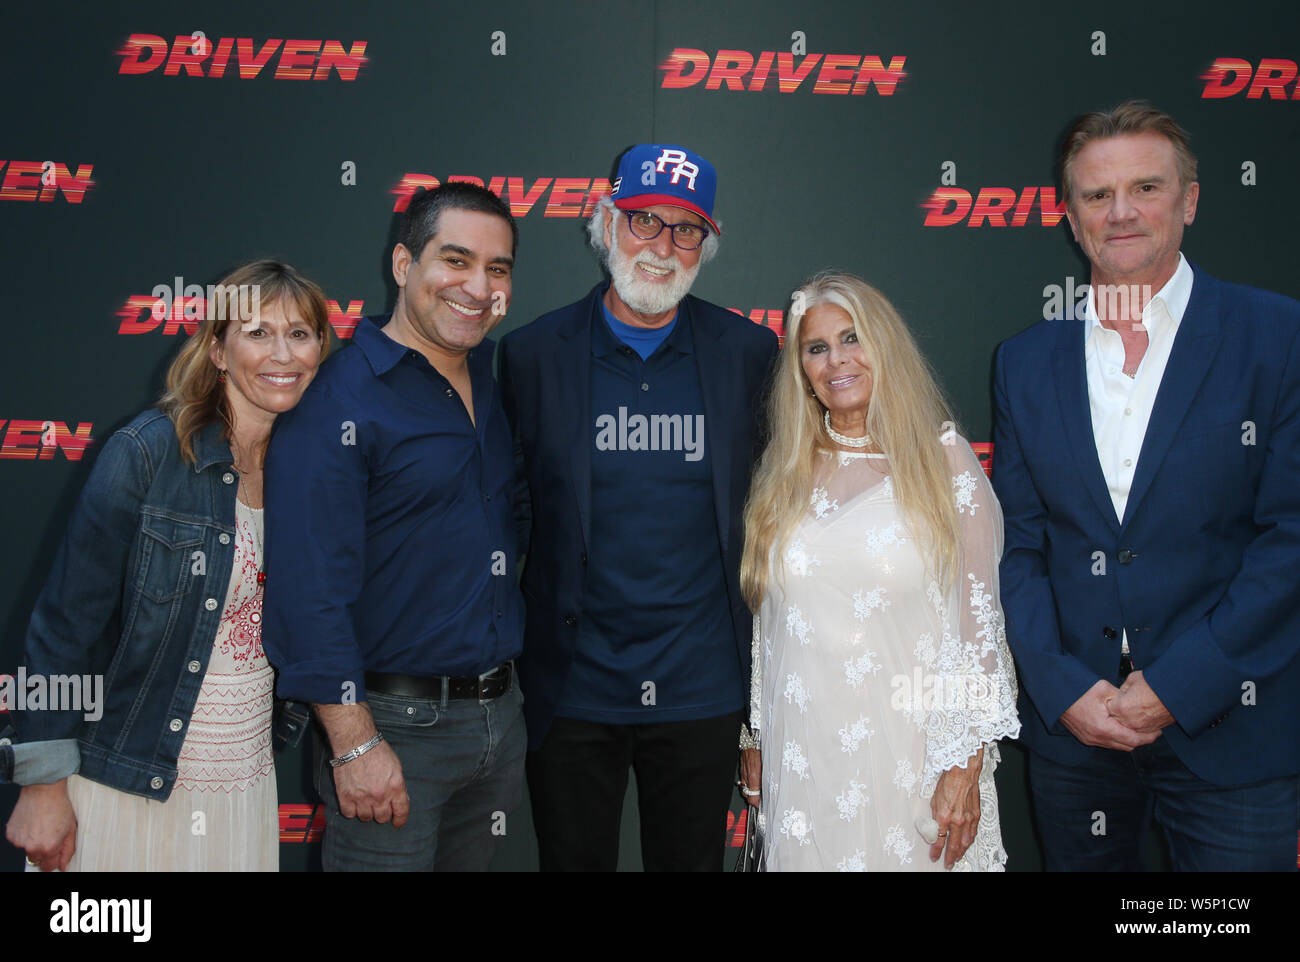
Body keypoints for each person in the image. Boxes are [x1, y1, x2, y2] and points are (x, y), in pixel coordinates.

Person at [993, 100, 1300, 871]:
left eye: (1147, 188)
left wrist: (1181, 684)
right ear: (1070, 216)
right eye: (1097, 195)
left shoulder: (1278, 337)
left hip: (1234, 728)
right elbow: (1018, 548)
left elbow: (1290, 539)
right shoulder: (1025, 361)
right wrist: (1063, 688)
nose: (1121, 213)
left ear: (1190, 200)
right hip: (1077, 739)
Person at [498, 143, 779, 871]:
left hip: (702, 687)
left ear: (707, 244)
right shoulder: (532, 355)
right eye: (644, 221)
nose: (662, 246)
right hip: (573, 686)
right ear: (606, 225)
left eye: (686, 229)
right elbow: (513, 507)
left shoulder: (749, 353)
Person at [3, 259, 331, 871]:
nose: (282, 352)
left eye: (300, 333)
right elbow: (63, 628)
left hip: (244, 779)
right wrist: (41, 783)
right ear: (217, 350)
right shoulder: (148, 452)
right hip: (128, 778)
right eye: (257, 332)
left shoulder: (310, 469)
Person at [261, 182, 526, 872]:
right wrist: (353, 744)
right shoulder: (337, 397)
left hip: (498, 720)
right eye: (456, 260)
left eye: (497, 269)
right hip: (390, 730)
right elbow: (308, 587)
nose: (477, 285)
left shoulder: (498, 380)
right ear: (404, 265)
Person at [738, 272, 1019, 871]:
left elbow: (979, 634)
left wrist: (963, 768)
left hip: (912, 760)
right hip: (804, 760)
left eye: (851, 338)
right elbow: (771, 622)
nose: (836, 360)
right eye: (816, 348)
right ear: (801, 368)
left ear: (884, 347)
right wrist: (757, 735)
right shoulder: (785, 469)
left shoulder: (945, 464)